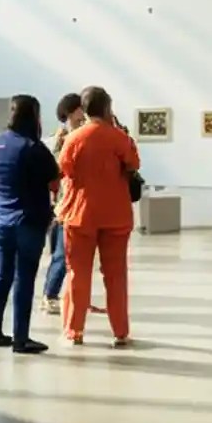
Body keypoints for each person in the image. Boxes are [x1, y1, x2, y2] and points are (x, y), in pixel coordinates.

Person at [58, 86, 140, 348]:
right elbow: (133, 163)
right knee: (116, 275)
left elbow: (65, 169)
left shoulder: (74, 138)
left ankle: (75, 331)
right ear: (107, 108)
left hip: (80, 213)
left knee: (78, 274)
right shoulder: (119, 138)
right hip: (116, 215)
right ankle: (120, 332)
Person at [0, 95, 61, 354]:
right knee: (24, 278)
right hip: (27, 220)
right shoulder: (33, 147)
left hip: (0, 217)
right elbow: (55, 182)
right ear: (34, 116)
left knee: (3, 274)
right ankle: (21, 338)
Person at [40, 92, 86, 315]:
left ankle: (51, 293)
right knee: (62, 251)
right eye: (79, 109)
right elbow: (56, 169)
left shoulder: (78, 134)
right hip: (63, 204)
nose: (83, 113)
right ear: (70, 111)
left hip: (71, 202)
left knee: (63, 251)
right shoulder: (59, 138)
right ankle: (50, 295)